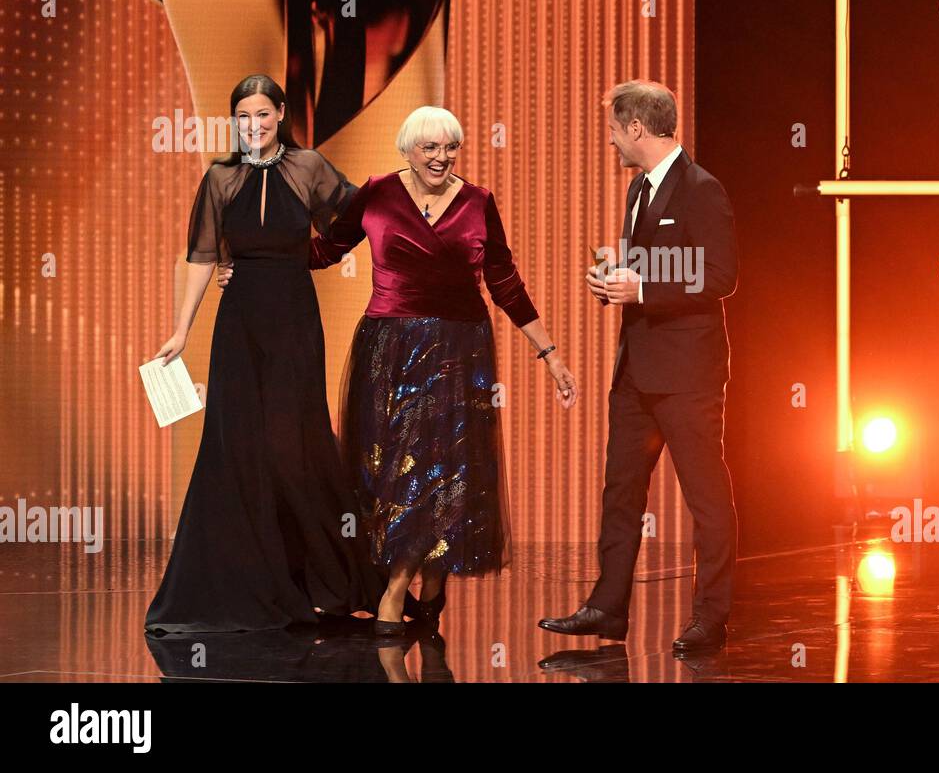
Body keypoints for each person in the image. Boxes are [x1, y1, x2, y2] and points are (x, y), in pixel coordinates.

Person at [219, 106, 577, 637]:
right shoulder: (378, 192)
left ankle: (398, 590)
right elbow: (323, 250)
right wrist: (248, 266)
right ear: (407, 149)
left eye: (450, 147)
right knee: (398, 471)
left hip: (460, 353)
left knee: (446, 470)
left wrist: (550, 354)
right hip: (390, 349)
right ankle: (424, 581)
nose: (441, 157)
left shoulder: (479, 202)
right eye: (430, 148)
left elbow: (505, 282)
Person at [146, 74, 382, 634]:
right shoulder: (220, 178)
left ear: (280, 114)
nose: (253, 126)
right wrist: (181, 332)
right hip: (239, 327)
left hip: (295, 321)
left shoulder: (308, 168)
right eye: (243, 117)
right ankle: (248, 584)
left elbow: (360, 218)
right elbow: (202, 257)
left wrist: (321, 254)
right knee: (236, 448)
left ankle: (329, 579)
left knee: (294, 448)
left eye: (263, 114)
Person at [539, 80, 739, 654]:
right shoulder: (637, 191)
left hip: (686, 375)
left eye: (612, 130)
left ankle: (712, 615)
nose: (609, 142)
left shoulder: (703, 190)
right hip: (636, 373)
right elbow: (646, 272)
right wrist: (612, 280)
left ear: (636, 129)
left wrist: (644, 286)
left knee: (706, 495)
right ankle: (608, 607)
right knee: (620, 492)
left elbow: (721, 276)